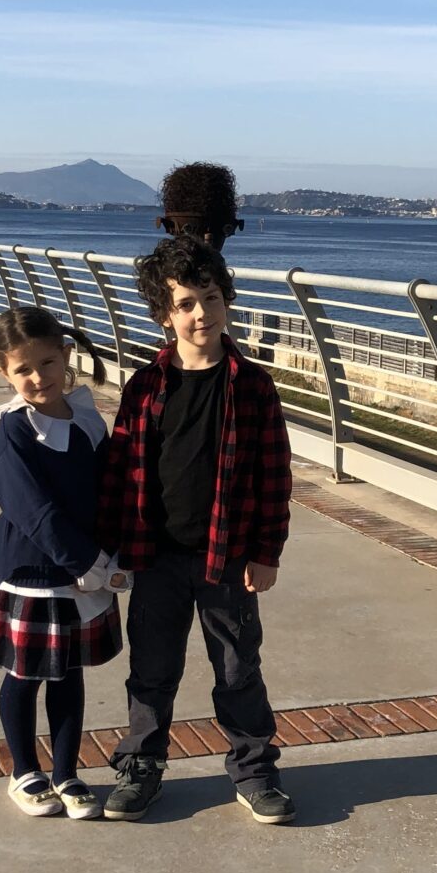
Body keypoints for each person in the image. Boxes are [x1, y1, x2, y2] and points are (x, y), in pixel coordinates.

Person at [97, 236, 295, 824]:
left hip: (229, 560)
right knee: (152, 671)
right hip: (155, 555)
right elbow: (121, 470)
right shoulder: (146, 387)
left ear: (227, 301)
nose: (200, 313)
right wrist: (112, 548)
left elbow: (273, 478)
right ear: (165, 314)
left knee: (238, 670)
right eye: (185, 303)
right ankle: (141, 767)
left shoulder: (252, 387)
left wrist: (266, 553)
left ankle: (254, 771)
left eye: (210, 298)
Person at [0, 305, 126, 821]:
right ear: (2, 369)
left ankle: (66, 772)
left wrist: (115, 552)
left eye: (48, 362)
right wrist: (86, 560)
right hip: (34, 574)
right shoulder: (14, 433)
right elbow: (32, 511)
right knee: (25, 675)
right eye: (24, 369)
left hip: (86, 571)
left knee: (68, 676)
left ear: (66, 357)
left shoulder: (86, 418)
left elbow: (108, 492)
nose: (38, 377)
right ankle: (23, 770)